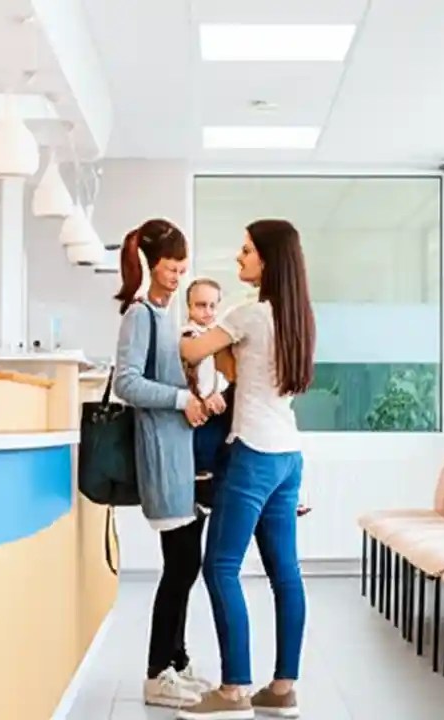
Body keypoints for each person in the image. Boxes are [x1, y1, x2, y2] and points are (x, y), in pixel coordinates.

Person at [178, 219, 316, 720]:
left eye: (246, 251)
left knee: (220, 567)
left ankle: (234, 688)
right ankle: (283, 688)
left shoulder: (251, 314)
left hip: (253, 452)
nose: (239, 259)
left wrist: (189, 334)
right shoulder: (299, 316)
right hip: (288, 456)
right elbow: (245, 373)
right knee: (286, 574)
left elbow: (191, 351)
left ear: (268, 259)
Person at [110, 219, 224, 709]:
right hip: (161, 453)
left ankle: (176, 661)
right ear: (150, 265)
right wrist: (181, 398)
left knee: (186, 563)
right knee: (181, 566)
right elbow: (127, 384)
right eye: (170, 268)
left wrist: (199, 397)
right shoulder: (139, 314)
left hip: (182, 452)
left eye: (182, 269)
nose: (177, 277)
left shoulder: (165, 311)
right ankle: (158, 670)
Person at [182, 278, 231, 497]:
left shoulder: (219, 338)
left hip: (214, 409)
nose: (208, 311)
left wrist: (218, 392)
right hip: (190, 412)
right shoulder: (184, 338)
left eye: (213, 306)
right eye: (201, 305)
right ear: (189, 306)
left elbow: (222, 372)